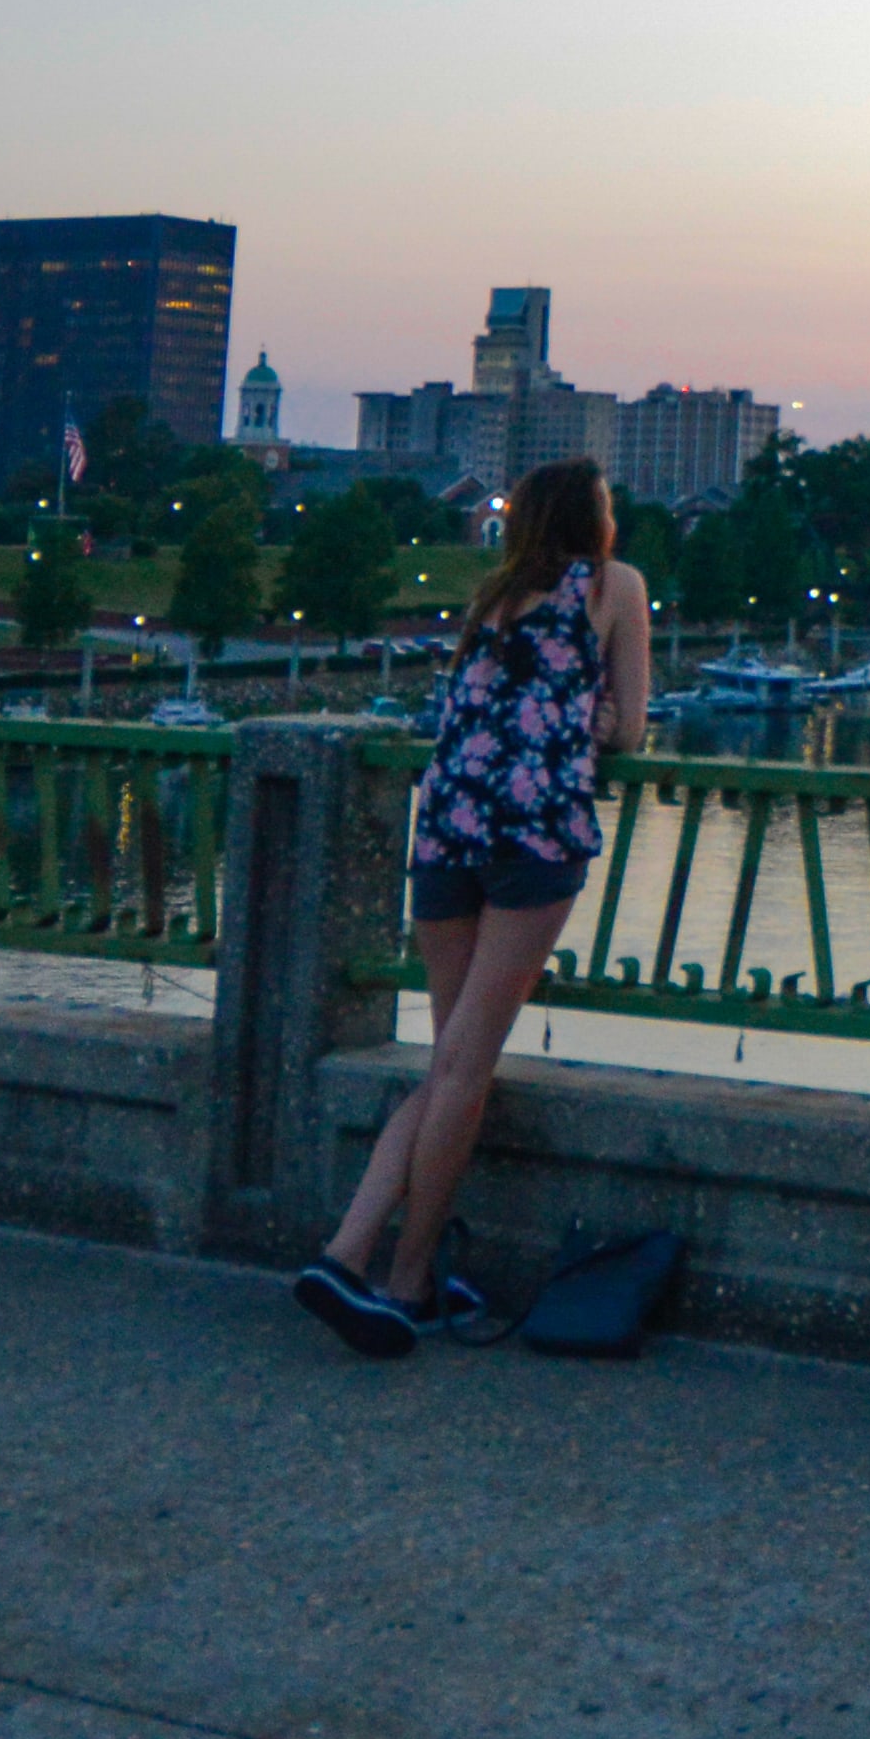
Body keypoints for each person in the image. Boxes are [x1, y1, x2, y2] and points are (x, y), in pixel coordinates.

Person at [294, 458, 650, 1358]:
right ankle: (403, 1280)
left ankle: (345, 1255)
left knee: (450, 1059)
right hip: (531, 838)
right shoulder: (614, 586)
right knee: (464, 1067)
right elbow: (635, 727)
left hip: (445, 829)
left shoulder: (492, 597)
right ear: (592, 518)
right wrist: (593, 722)